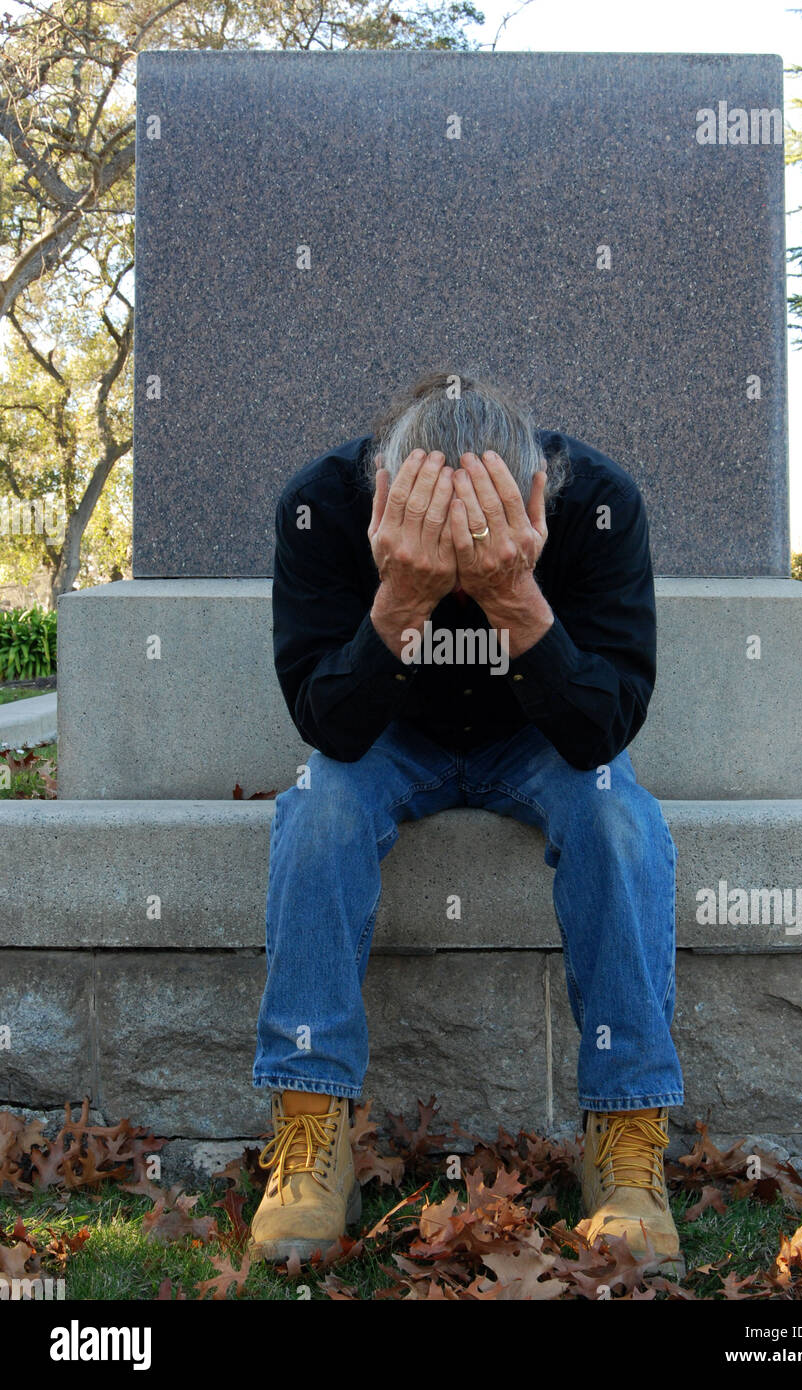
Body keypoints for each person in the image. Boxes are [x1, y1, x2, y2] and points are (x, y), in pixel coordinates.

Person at [249, 370, 685, 1274]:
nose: (456, 557)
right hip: (388, 738)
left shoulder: (596, 503)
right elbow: (328, 724)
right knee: (318, 810)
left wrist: (516, 596)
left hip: (540, 740)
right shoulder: (321, 509)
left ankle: (629, 1144)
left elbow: (604, 725)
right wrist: (400, 599)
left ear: (537, 494)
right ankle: (309, 1130)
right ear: (383, 488)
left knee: (619, 821)